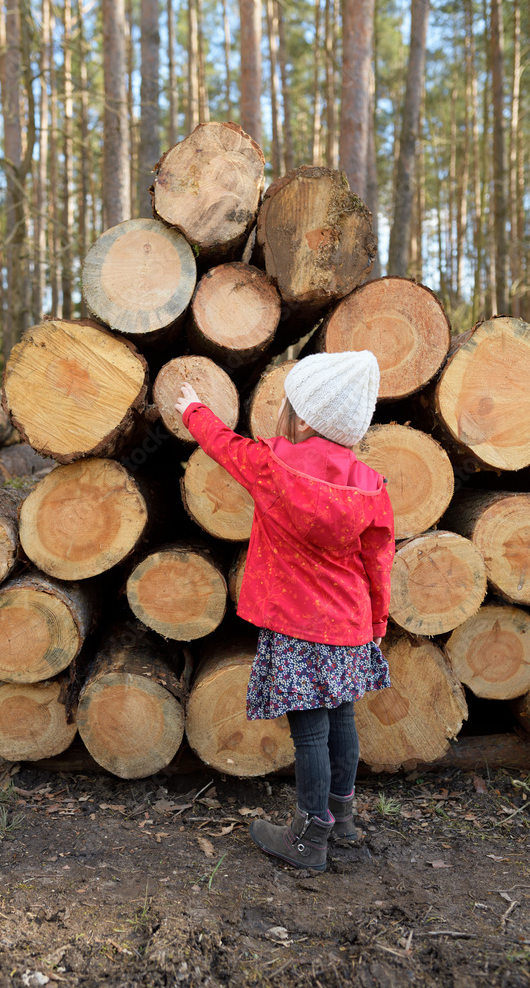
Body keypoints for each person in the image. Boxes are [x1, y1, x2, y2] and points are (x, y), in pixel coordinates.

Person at [175, 350, 395, 872]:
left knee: (310, 732)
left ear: (301, 415)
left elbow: (225, 448)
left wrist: (192, 410)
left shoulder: (274, 465)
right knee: (342, 715)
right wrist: (377, 622)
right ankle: (341, 818)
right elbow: (379, 559)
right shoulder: (370, 484)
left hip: (297, 627)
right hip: (347, 625)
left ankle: (308, 836)